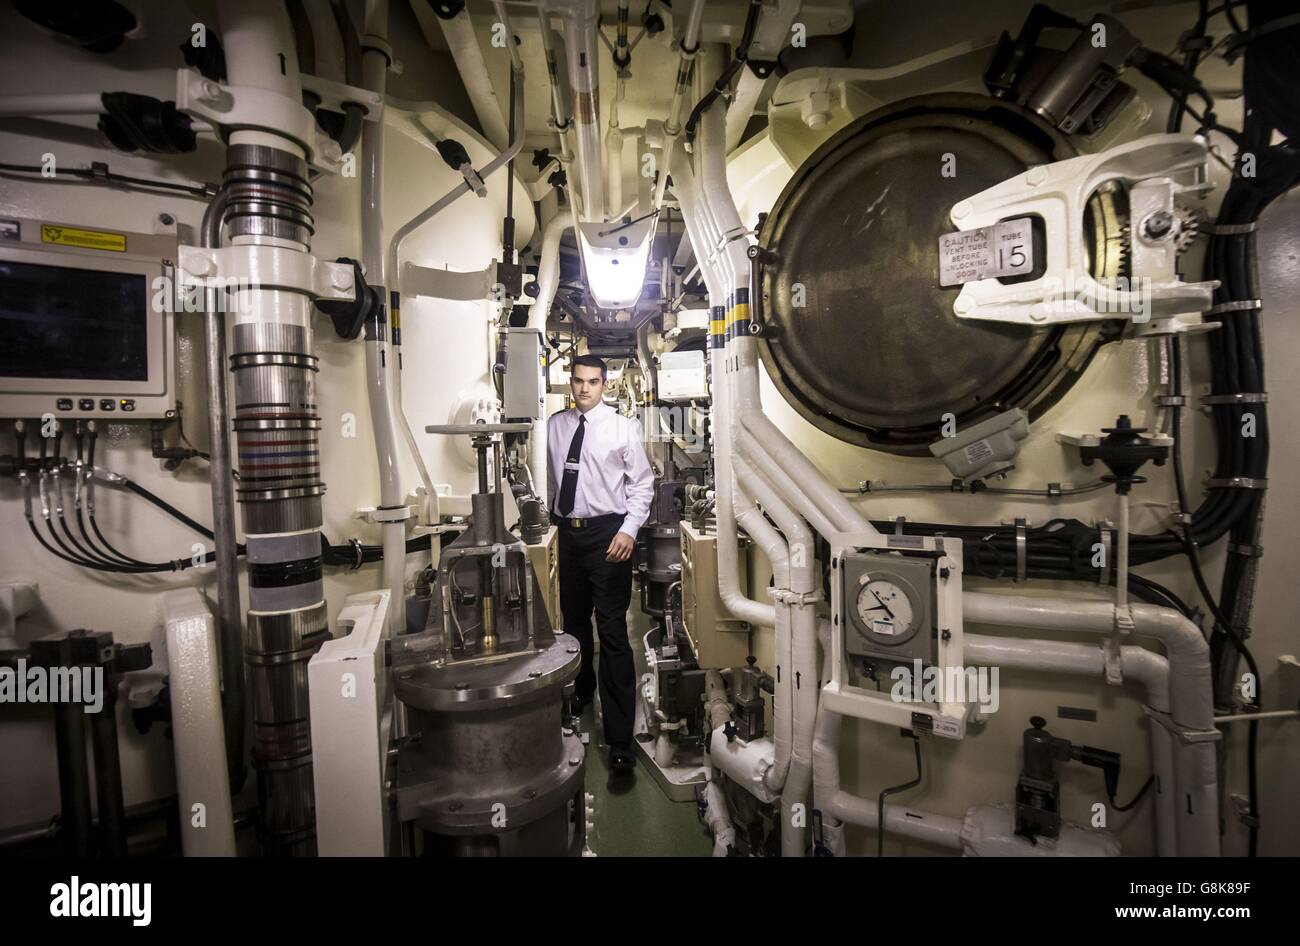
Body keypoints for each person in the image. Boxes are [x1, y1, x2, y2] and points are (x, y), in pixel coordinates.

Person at [547, 354, 653, 783]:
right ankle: (579, 695)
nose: (585, 389)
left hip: (609, 534)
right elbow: (551, 481)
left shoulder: (622, 427)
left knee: (611, 630)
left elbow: (642, 485)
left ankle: (621, 740)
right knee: (572, 626)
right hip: (566, 535)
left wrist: (629, 530)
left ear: (605, 384)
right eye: (578, 381)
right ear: (570, 384)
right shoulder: (554, 427)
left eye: (593, 382)